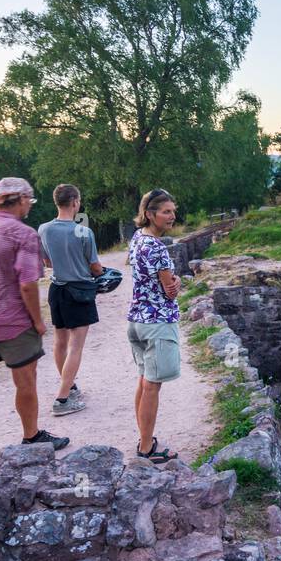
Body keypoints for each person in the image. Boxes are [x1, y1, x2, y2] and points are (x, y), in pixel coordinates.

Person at [0, 177, 70, 454]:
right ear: (20, 200)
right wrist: (38, 322)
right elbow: (27, 284)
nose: (29, 205)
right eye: (29, 200)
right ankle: (31, 436)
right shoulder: (24, 234)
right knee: (25, 380)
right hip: (13, 322)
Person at [37, 183, 104, 416]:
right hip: (79, 291)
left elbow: (47, 263)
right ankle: (63, 399)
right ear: (75, 201)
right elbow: (96, 267)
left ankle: (70, 386)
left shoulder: (43, 229)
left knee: (60, 343)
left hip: (57, 290)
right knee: (76, 346)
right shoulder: (83, 231)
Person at [126, 188, 183, 463]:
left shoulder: (137, 238)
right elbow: (170, 289)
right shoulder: (158, 248)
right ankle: (147, 448)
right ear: (149, 214)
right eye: (166, 211)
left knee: (144, 380)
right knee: (152, 386)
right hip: (157, 321)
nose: (172, 216)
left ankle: (144, 438)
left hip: (136, 320)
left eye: (172, 210)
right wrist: (178, 283)